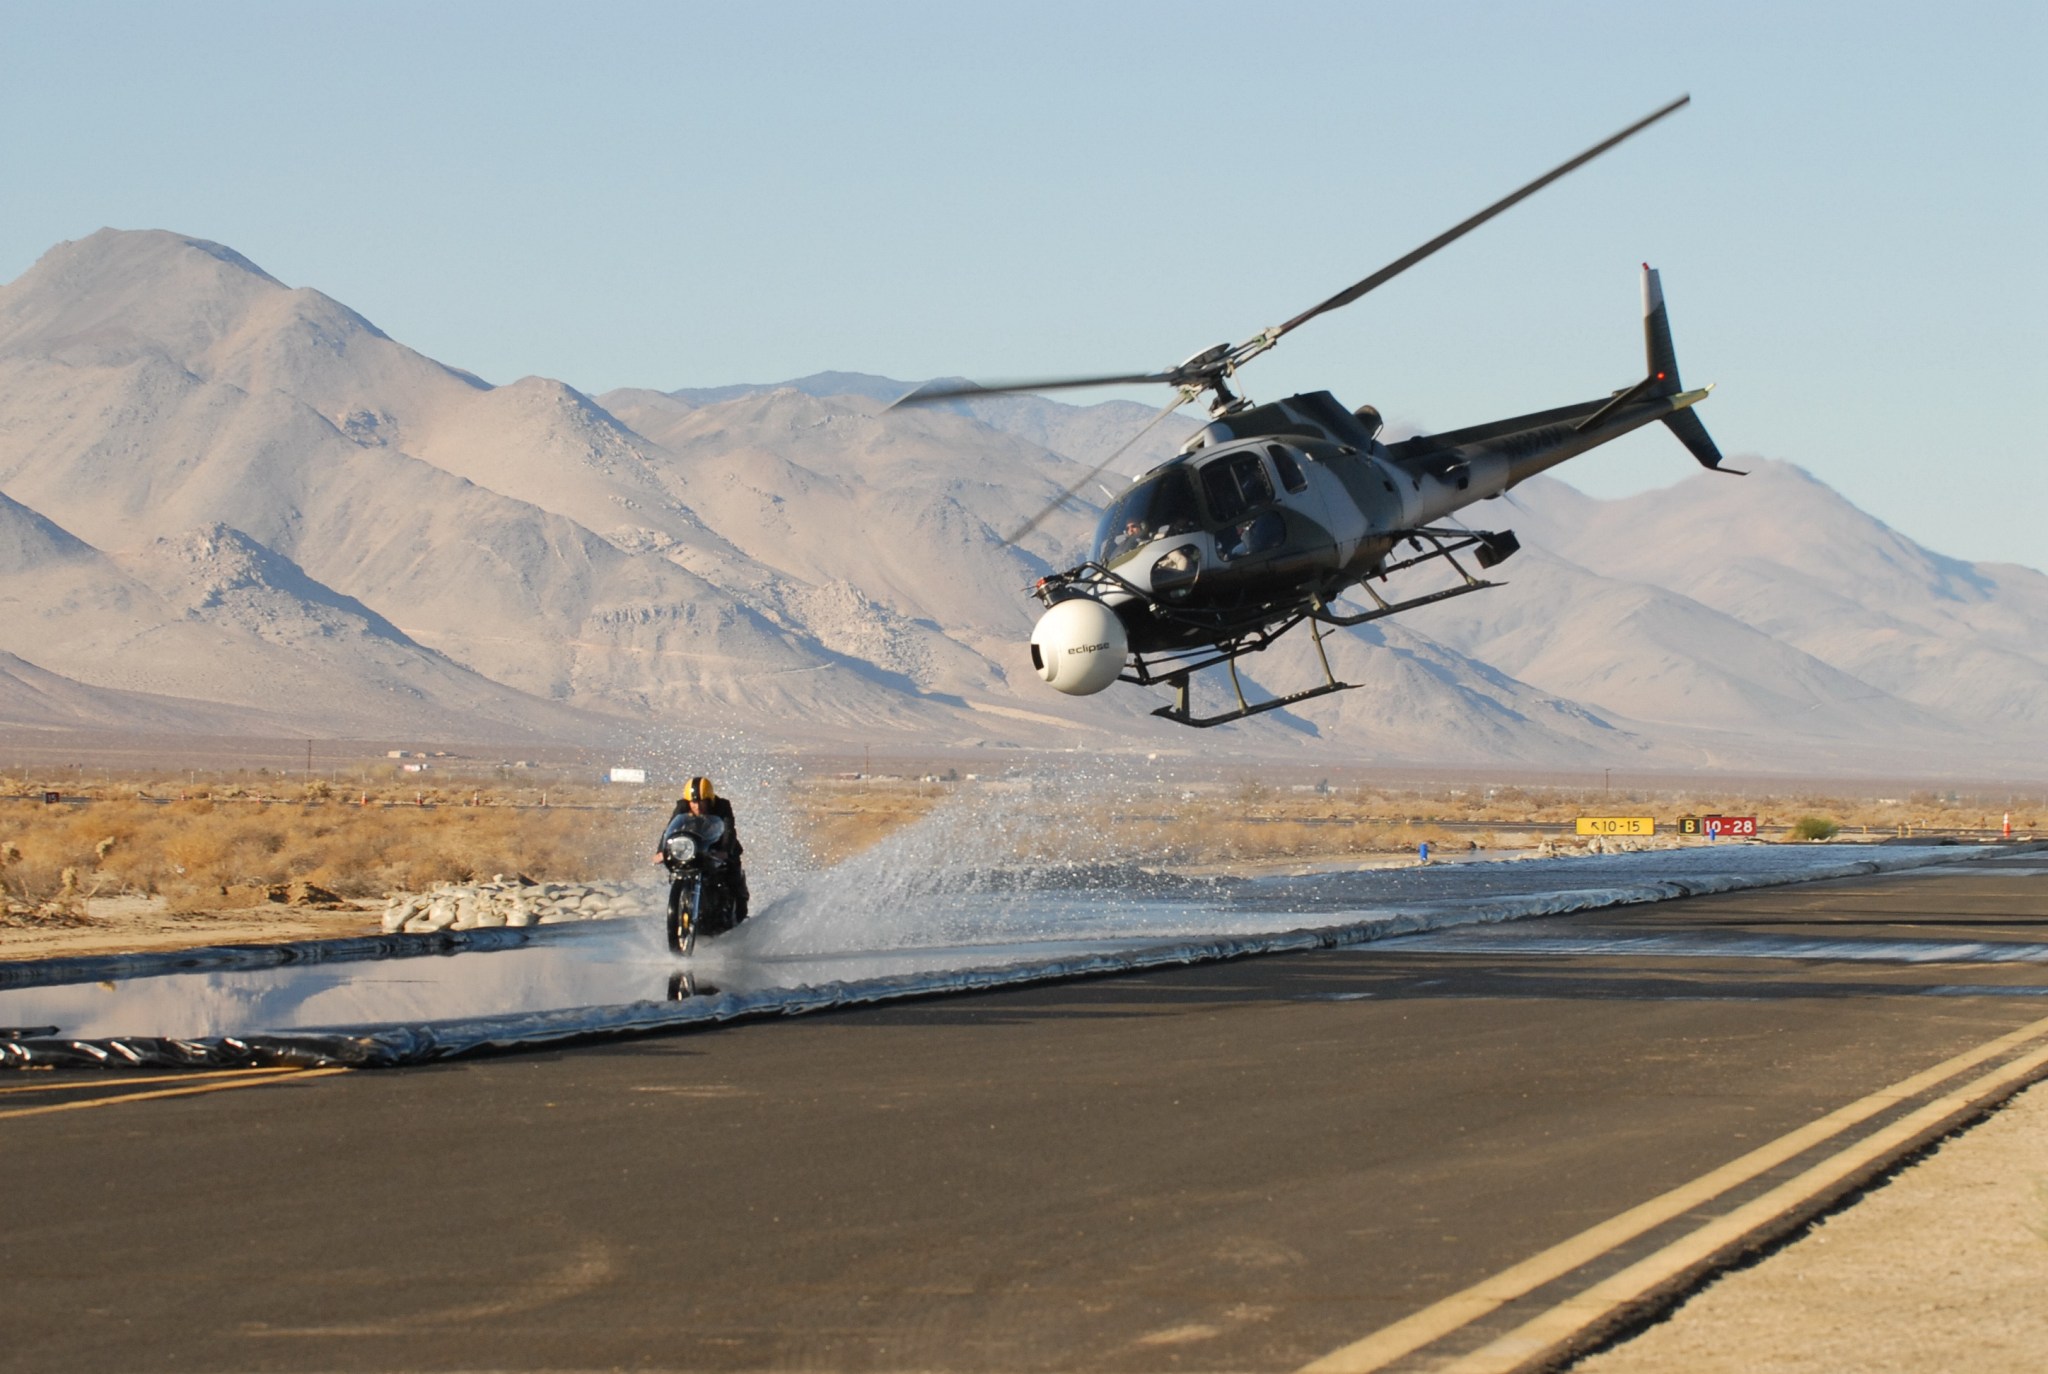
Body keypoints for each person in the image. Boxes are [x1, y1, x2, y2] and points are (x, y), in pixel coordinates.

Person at [652, 775, 750, 925]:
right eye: (693, 802)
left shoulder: (722, 806)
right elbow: (670, 830)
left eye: (701, 802)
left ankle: (740, 916)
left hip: (718, 849)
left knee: (733, 878)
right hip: (694, 848)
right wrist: (662, 851)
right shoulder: (682, 807)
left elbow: (729, 830)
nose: (697, 806)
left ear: (709, 800)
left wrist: (725, 851)